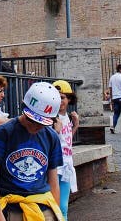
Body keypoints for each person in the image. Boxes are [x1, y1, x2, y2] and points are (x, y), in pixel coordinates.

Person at [0, 81, 64, 221]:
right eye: (31, 120)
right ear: (23, 107)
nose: (36, 126)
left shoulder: (51, 137)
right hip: (10, 209)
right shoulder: (5, 132)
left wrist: (56, 211)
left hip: (43, 208)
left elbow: (54, 181)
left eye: (42, 123)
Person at [53, 80, 80, 221]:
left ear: (69, 99)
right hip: (55, 167)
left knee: (63, 207)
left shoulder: (68, 117)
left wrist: (75, 126)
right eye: (56, 97)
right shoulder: (51, 119)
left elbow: (67, 142)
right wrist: (54, 132)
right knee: (54, 206)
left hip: (67, 166)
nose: (60, 101)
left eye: (62, 97)